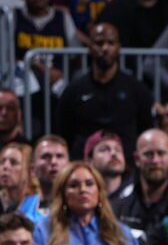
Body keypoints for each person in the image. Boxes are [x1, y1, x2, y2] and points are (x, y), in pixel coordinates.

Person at [57, 22, 153, 160]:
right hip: (84, 164)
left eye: (111, 43)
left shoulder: (137, 90)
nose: (105, 48)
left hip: (126, 164)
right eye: (99, 43)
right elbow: (65, 134)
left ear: (119, 47)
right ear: (89, 47)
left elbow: (145, 129)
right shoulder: (73, 91)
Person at [114, 129, 168, 237]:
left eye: (161, 153)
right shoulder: (119, 209)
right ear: (137, 159)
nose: (155, 160)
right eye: (148, 154)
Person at [84, 130, 133, 204]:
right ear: (89, 162)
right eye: (104, 149)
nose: (113, 153)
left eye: (118, 149)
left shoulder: (138, 194)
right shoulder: (84, 199)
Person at [30, 135, 68, 217]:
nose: (53, 162)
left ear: (69, 165)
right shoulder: (21, 209)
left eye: (59, 156)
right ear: (33, 169)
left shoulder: (80, 208)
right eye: (46, 157)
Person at [0, 142, 40, 218]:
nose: (5, 166)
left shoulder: (38, 203)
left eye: (13, 163)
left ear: (31, 170)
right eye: (2, 162)